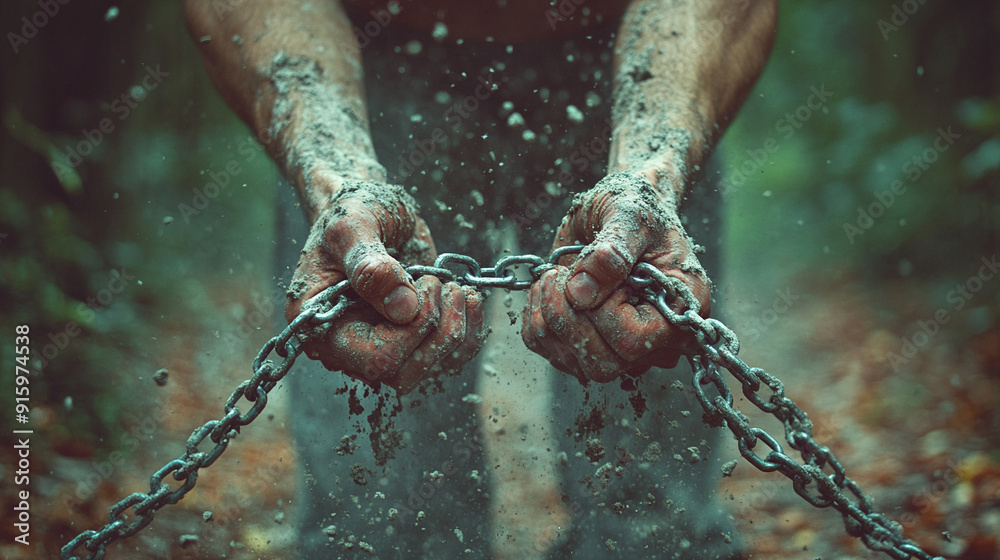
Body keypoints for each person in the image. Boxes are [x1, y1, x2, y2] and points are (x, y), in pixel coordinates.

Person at [186, 1, 777, 558]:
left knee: (651, 526)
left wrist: (652, 174)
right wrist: (338, 181)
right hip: (361, 61)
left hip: (651, 52)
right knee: (380, 521)